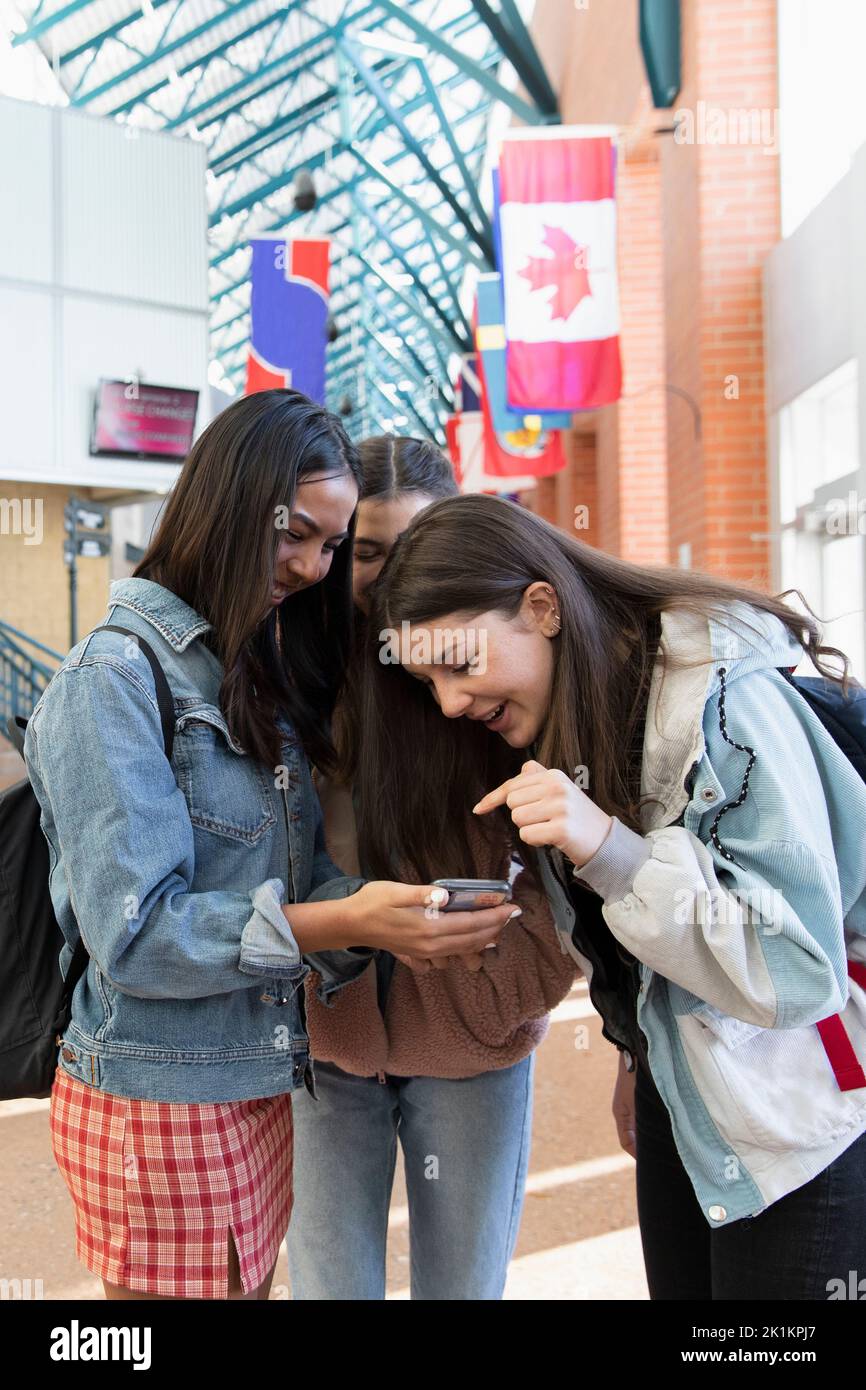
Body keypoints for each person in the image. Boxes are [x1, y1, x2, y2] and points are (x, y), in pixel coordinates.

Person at [24, 393, 515, 1302]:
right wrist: (344, 921)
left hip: (249, 1076)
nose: (312, 567)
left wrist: (395, 913)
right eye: (298, 533)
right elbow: (137, 938)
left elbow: (293, 872)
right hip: (159, 1090)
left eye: (332, 546)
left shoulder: (243, 663)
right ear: (229, 495)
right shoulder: (113, 679)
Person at [357, 490, 866, 1301]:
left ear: (542, 606)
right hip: (696, 1097)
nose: (451, 702)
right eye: (428, 681)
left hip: (805, 1113)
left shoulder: (727, 701)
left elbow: (796, 965)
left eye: (461, 664)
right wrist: (637, 1053)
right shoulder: (576, 713)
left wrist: (613, 853)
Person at [286, 435, 577, 1301]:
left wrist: (520, 976)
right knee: (333, 1286)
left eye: (408, 550)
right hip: (330, 1017)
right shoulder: (302, 662)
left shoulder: (498, 658)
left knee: (462, 1285)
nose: (380, 578)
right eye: (362, 552)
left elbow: (572, 838)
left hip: (475, 1016)